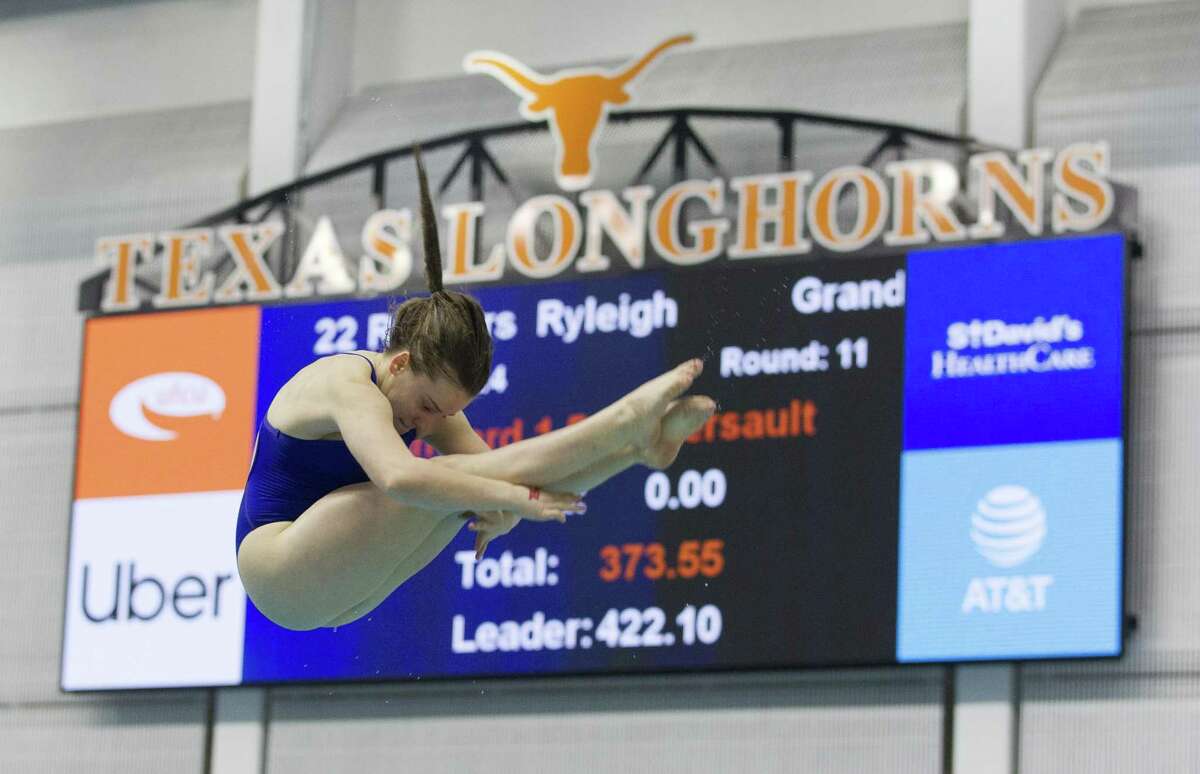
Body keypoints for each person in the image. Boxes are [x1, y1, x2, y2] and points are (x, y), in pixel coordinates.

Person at [235, 148, 716, 631]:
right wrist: (512, 500)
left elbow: (507, 478)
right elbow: (399, 478)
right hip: (278, 567)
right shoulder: (347, 385)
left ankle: (634, 450)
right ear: (399, 363)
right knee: (446, 479)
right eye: (427, 406)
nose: (426, 424)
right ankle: (618, 422)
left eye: (443, 415)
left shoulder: (429, 407)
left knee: (469, 486)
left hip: (335, 593)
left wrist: (507, 503)